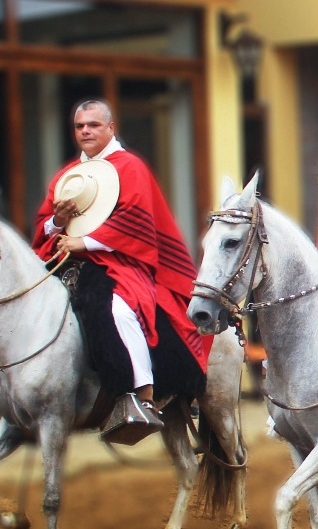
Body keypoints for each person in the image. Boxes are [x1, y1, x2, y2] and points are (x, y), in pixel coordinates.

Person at [32, 99, 211, 442]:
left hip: (125, 261)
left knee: (118, 307)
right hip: (68, 261)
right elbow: (44, 225)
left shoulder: (130, 167)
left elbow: (137, 222)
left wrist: (85, 243)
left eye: (93, 125)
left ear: (110, 128)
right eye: (79, 126)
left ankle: (141, 393)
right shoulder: (66, 177)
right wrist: (58, 221)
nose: (85, 130)